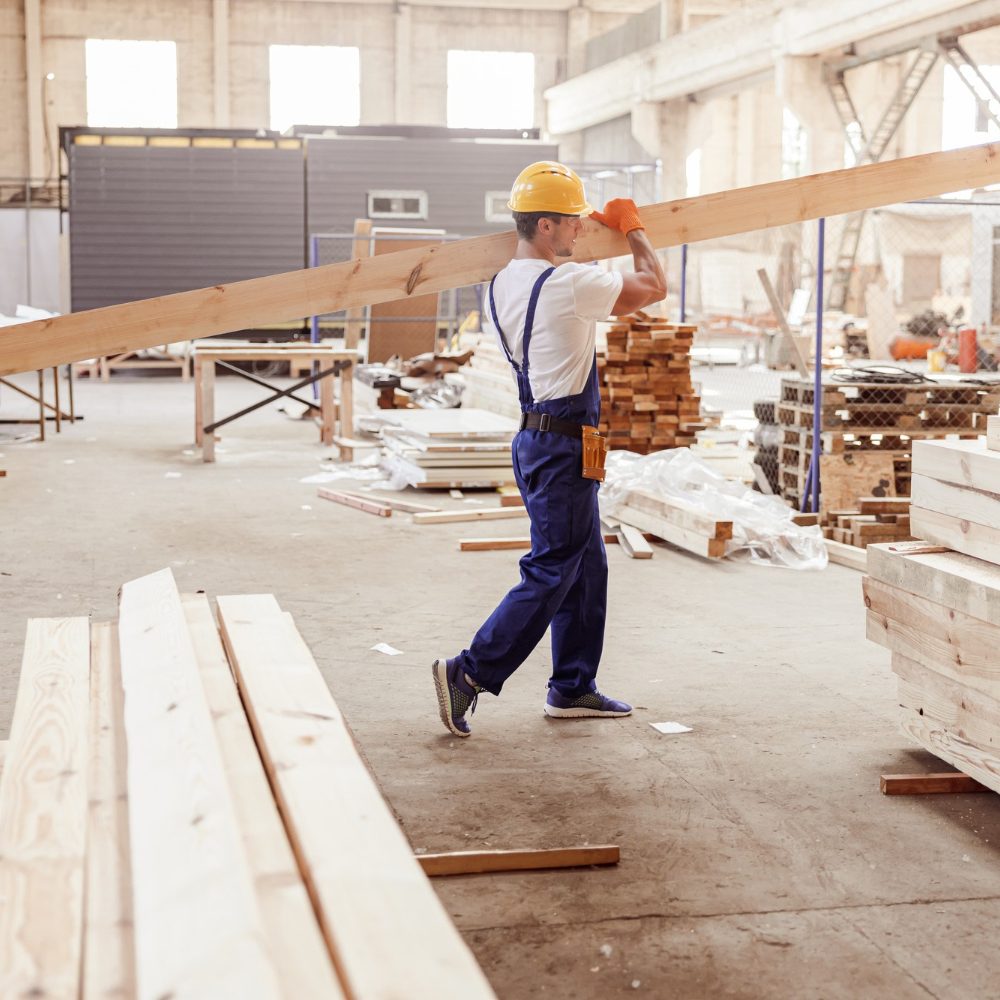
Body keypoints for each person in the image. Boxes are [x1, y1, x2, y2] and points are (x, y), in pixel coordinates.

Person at [432, 161, 666, 737]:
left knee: (587, 564)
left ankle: (572, 686)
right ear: (542, 226)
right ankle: (469, 672)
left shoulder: (503, 282)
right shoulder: (566, 283)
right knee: (552, 568)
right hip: (562, 444)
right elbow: (655, 286)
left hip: (542, 437)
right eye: (570, 221)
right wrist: (633, 229)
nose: (581, 230)